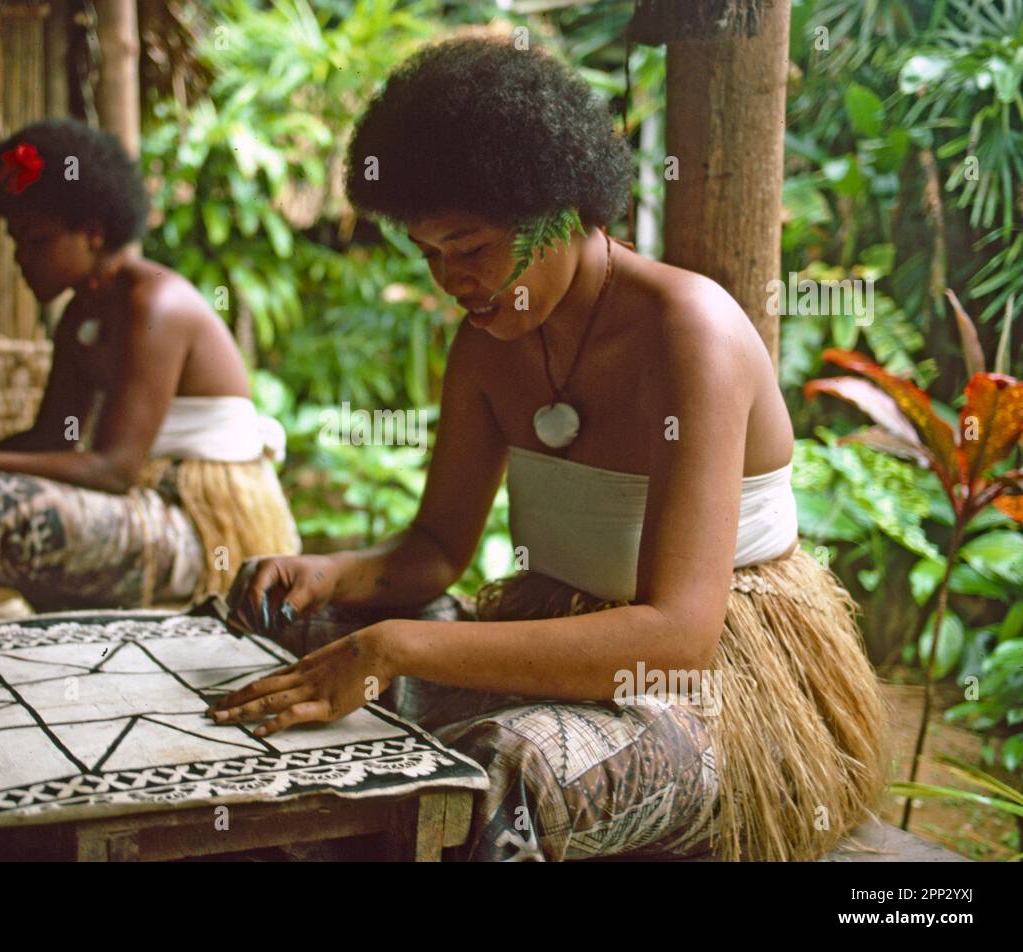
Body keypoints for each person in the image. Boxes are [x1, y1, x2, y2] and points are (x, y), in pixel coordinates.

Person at [210, 37, 888, 862]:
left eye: (470, 248)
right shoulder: (486, 343)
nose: (450, 281)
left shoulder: (690, 332)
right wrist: (329, 576)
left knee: (515, 768)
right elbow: (435, 549)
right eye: (431, 255)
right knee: (291, 646)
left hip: (706, 689)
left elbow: (677, 638)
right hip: (557, 633)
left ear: (563, 211)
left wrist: (395, 647)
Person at [0, 118, 299, 610]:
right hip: (140, 501)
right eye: (16, 240)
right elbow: (52, 439)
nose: (20, 258)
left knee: (7, 509)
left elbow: (113, 467)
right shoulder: (81, 313)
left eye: (35, 240)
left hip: (203, 517)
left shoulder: (155, 304)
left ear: (94, 234)